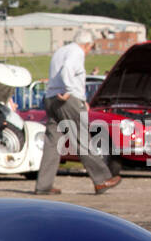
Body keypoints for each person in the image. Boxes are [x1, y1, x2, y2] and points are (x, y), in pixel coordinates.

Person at [36, 30, 120, 195]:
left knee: (52, 143)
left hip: (51, 98)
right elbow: (68, 69)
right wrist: (70, 91)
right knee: (82, 138)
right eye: (90, 47)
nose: (89, 51)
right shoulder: (76, 52)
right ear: (87, 44)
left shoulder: (61, 50)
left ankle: (43, 185)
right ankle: (102, 179)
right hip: (67, 99)